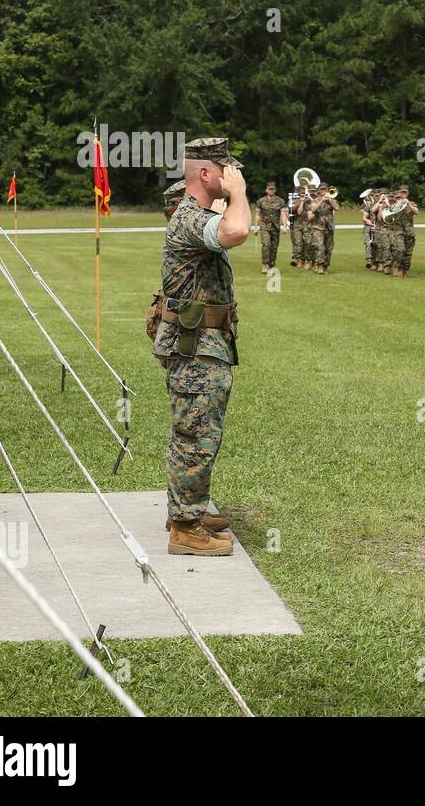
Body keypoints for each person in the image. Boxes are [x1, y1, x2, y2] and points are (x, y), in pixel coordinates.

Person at [152, 138, 249, 557]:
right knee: (196, 435)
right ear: (206, 174)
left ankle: (186, 511)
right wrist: (239, 194)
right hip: (196, 349)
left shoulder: (198, 214)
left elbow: (229, 226)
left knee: (196, 431)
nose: (234, 176)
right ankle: (186, 529)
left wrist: (230, 197)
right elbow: (237, 230)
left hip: (205, 344)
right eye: (227, 170)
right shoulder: (190, 217)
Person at [384, 184, 417, 277]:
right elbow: (387, 215)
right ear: (399, 193)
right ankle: (397, 267)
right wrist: (389, 204)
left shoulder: (411, 203)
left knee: (408, 253)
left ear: (408, 193)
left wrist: (408, 203)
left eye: (405, 192)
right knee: (400, 249)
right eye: (402, 192)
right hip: (398, 232)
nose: (403, 194)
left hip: (409, 232)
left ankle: (403, 270)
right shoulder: (394, 204)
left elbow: (416, 211)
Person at [255, 182, 286, 274]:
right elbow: (258, 214)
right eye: (270, 189)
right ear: (266, 190)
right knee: (266, 244)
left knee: (274, 247)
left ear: (275, 190)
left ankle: (271, 264)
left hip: (275, 227)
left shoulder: (280, 201)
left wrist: (284, 226)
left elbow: (283, 214)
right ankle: (265, 264)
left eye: (273, 189)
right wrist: (256, 226)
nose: (271, 191)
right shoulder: (261, 201)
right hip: (265, 226)